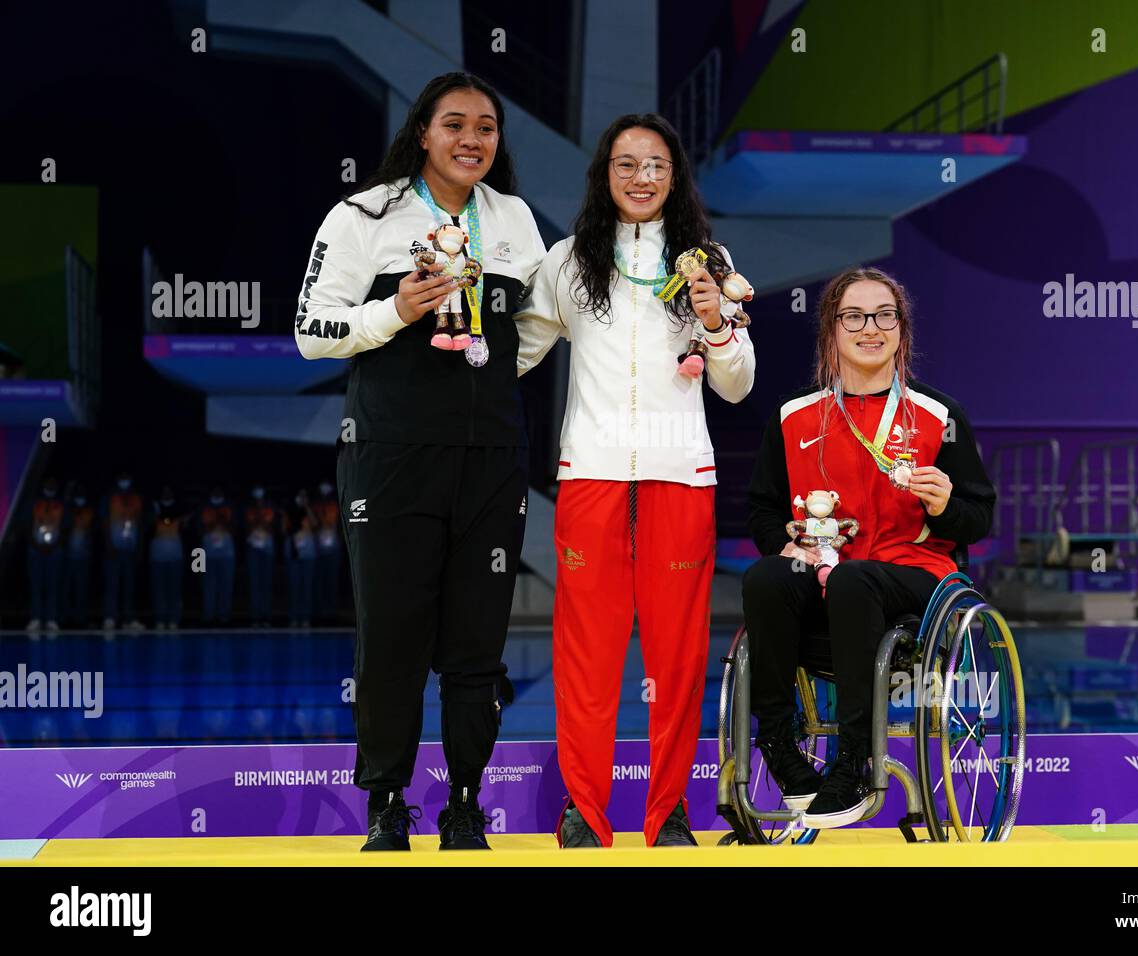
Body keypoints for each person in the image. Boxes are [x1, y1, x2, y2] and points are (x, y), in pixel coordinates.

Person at [294, 72, 546, 851]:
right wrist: (395, 312)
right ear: (423, 133)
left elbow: (532, 331)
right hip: (391, 458)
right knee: (394, 639)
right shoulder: (362, 215)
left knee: (477, 645)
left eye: (487, 127)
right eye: (456, 125)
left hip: (491, 461)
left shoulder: (515, 222)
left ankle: (466, 804)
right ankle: (386, 806)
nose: (472, 140)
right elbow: (312, 332)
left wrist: (487, 367)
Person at [516, 113, 756, 847]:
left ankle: (670, 809)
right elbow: (515, 354)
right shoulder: (566, 261)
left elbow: (739, 385)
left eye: (656, 165)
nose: (642, 178)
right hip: (590, 475)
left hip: (680, 475)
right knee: (585, 652)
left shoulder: (707, 262)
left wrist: (716, 324)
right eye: (627, 165)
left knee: (678, 656)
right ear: (605, 175)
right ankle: (584, 810)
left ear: (675, 176)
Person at [742, 266, 995, 829]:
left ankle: (853, 761)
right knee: (764, 577)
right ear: (832, 329)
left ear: (901, 329)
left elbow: (978, 518)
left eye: (884, 315)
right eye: (853, 316)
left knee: (857, 579)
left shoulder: (938, 417)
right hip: (826, 582)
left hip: (912, 583)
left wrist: (944, 506)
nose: (870, 328)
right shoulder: (793, 416)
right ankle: (781, 748)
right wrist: (785, 549)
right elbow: (762, 510)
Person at [103, 471, 144, 631]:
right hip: (114, 547)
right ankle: (110, 618)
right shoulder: (110, 497)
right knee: (112, 583)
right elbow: (104, 520)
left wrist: (139, 546)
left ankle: (129, 618)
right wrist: (108, 544)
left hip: (130, 547)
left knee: (129, 585)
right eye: (122, 478)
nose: (124, 481)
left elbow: (140, 522)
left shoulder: (136, 498)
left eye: (127, 478)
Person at [27, 476, 66, 635]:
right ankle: (36, 618)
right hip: (35, 549)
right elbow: (25, 523)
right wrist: (35, 544)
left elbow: (66, 526)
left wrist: (55, 545)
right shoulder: (35, 503)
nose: (50, 486)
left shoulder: (61, 505)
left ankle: (51, 619)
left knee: (52, 583)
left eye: (53, 484)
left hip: (54, 550)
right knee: (36, 584)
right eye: (48, 483)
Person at [149, 484, 186, 629]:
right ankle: (160, 619)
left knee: (174, 590)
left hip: (175, 555)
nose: (166, 494)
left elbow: (185, 529)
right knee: (159, 590)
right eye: (164, 492)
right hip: (157, 555)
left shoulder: (180, 509)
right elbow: (148, 526)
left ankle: (173, 620)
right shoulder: (153, 508)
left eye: (169, 492)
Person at [198, 484, 236, 625]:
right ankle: (208, 616)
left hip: (227, 553)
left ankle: (224, 617)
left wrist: (223, 525)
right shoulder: (203, 508)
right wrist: (211, 527)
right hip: (204, 553)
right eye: (214, 489)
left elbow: (237, 527)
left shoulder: (230, 507)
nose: (217, 492)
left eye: (219, 489)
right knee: (207, 584)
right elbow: (197, 529)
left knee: (226, 584)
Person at [283, 487, 318, 628]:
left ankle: (306, 617)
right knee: (295, 587)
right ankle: (294, 617)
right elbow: (284, 530)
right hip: (293, 553)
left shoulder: (309, 511)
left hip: (308, 554)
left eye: (304, 496)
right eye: (300, 496)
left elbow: (315, 524)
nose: (302, 499)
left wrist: (306, 507)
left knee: (307, 587)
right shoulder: (289, 512)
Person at [244, 484, 276, 627]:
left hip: (267, 549)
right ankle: (255, 616)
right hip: (253, 549)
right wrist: (258, 518)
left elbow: (272, 527)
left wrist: (261, 520)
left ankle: (266, 616)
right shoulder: (249, 510)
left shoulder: (270, 509)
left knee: (266, 583)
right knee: (255, 583)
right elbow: (246, 526)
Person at [65, 482, 95, 628]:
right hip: (68, 556)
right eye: (78, 494)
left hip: (83, 556)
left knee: (82, 590)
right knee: (66, 589)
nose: (80, 497)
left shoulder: (89, 511)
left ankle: (80, 619)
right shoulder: (67, 511)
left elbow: (92, 532)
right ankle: (64, 619)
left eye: (82, 494)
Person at [312, 479, 342, 622]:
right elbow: (315, 524)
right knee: (319, 580)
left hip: (333, 547)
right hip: (319, 547)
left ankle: (331, 612)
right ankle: (320, 612)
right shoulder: (316, 506)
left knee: (332, 580)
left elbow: (335, 523)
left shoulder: (336, 504)